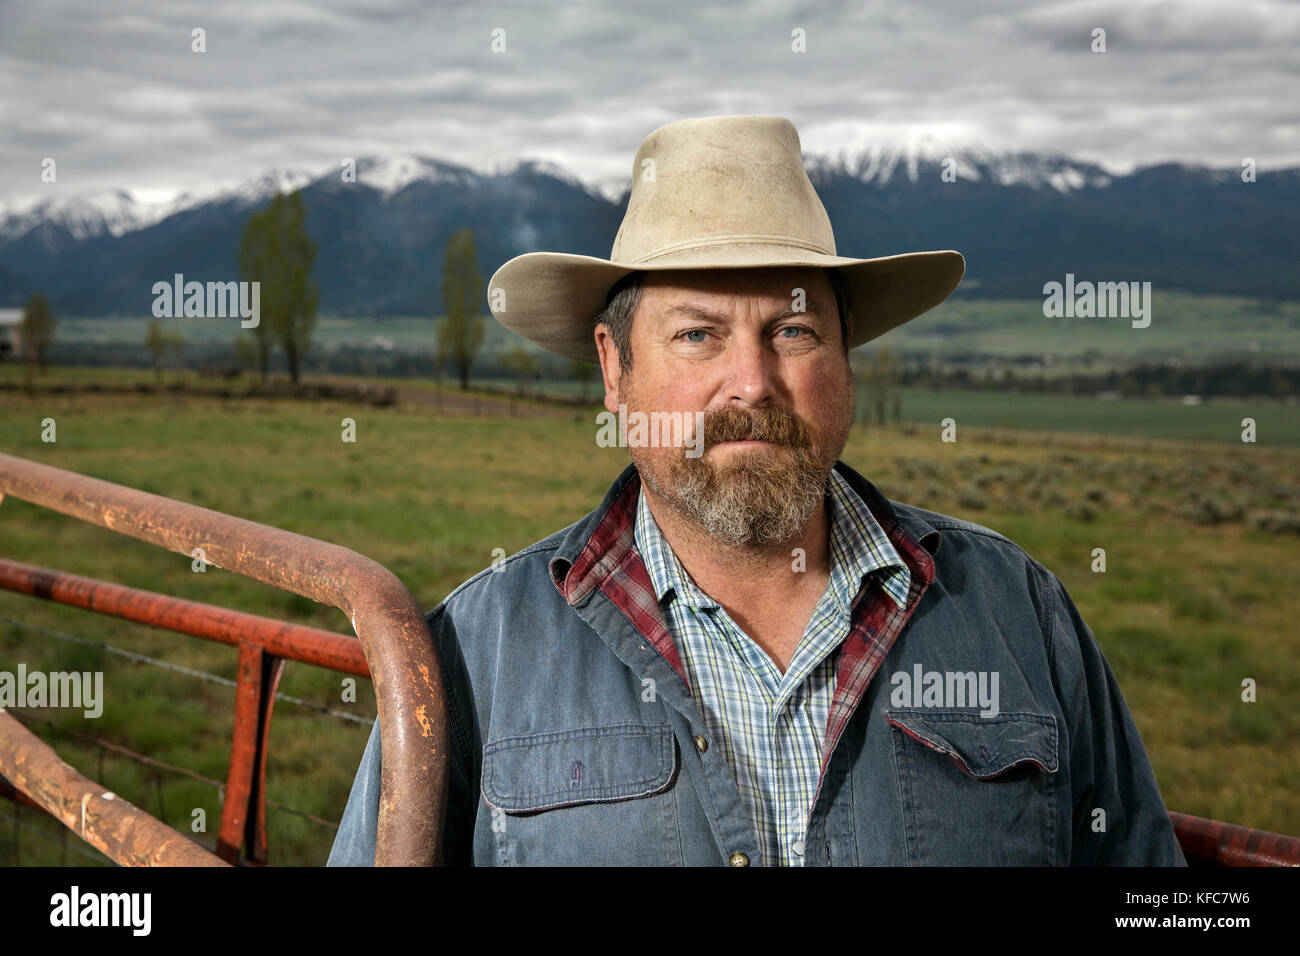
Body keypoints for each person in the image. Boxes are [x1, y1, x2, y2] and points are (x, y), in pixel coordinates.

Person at [328, 114, 1186, 866]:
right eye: (698, 334)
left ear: (846, 362)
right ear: (613, 369)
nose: (752, 382)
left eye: (795, 329)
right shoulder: (471, 655)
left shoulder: (1018, 613)